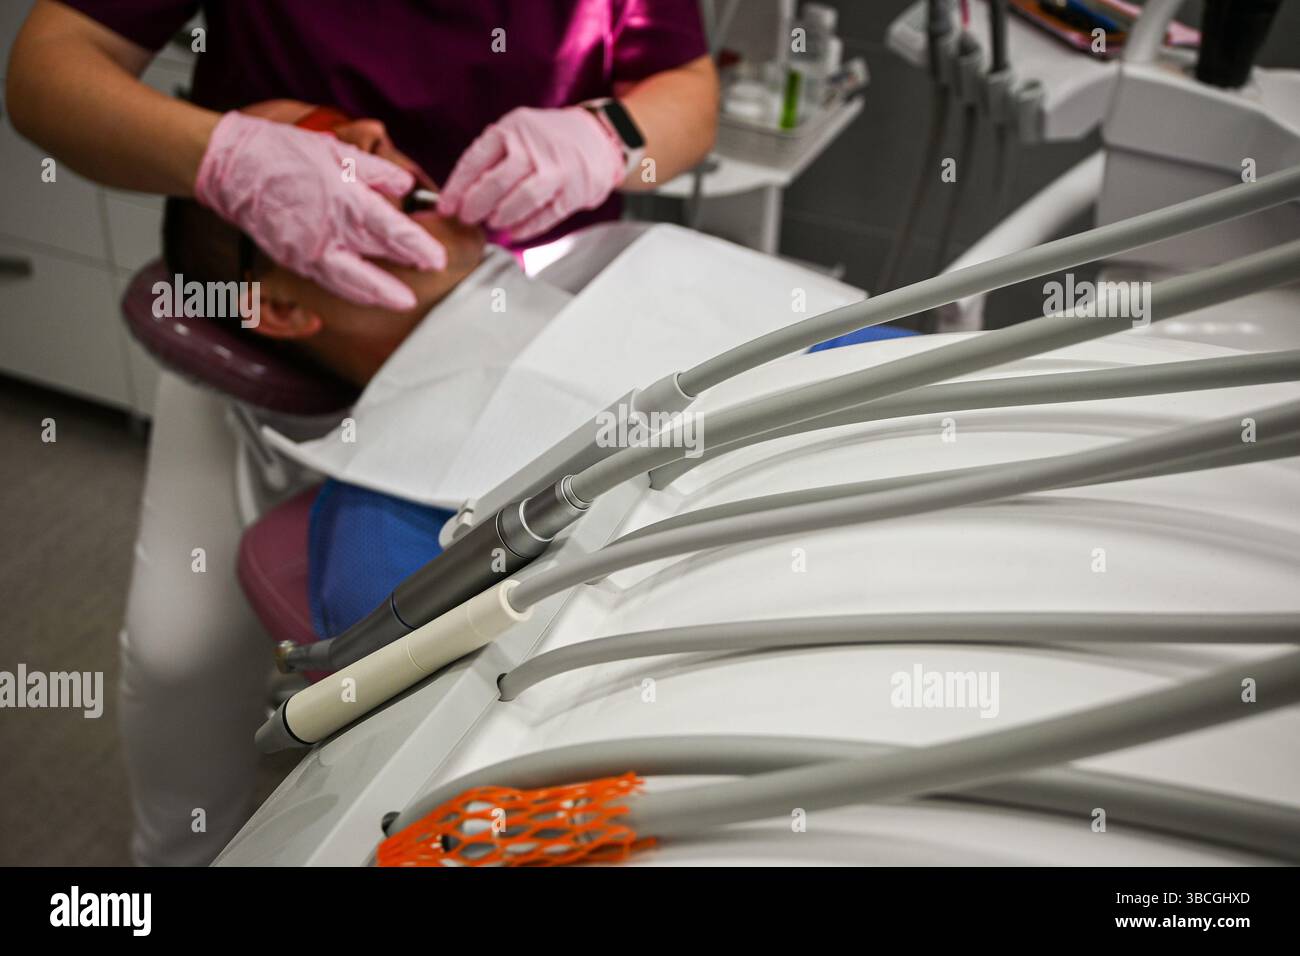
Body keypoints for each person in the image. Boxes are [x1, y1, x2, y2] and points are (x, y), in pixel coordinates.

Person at [5, 0, 717, 865]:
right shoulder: (384, 540)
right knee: (178, 656)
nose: (379, 133)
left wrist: (608, 136)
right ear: (280, 301)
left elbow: (687, 87)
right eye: (329, 146)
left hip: (531, 302)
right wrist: (217, 155)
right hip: (283, 389)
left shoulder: (600, 323)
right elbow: (48, 70)